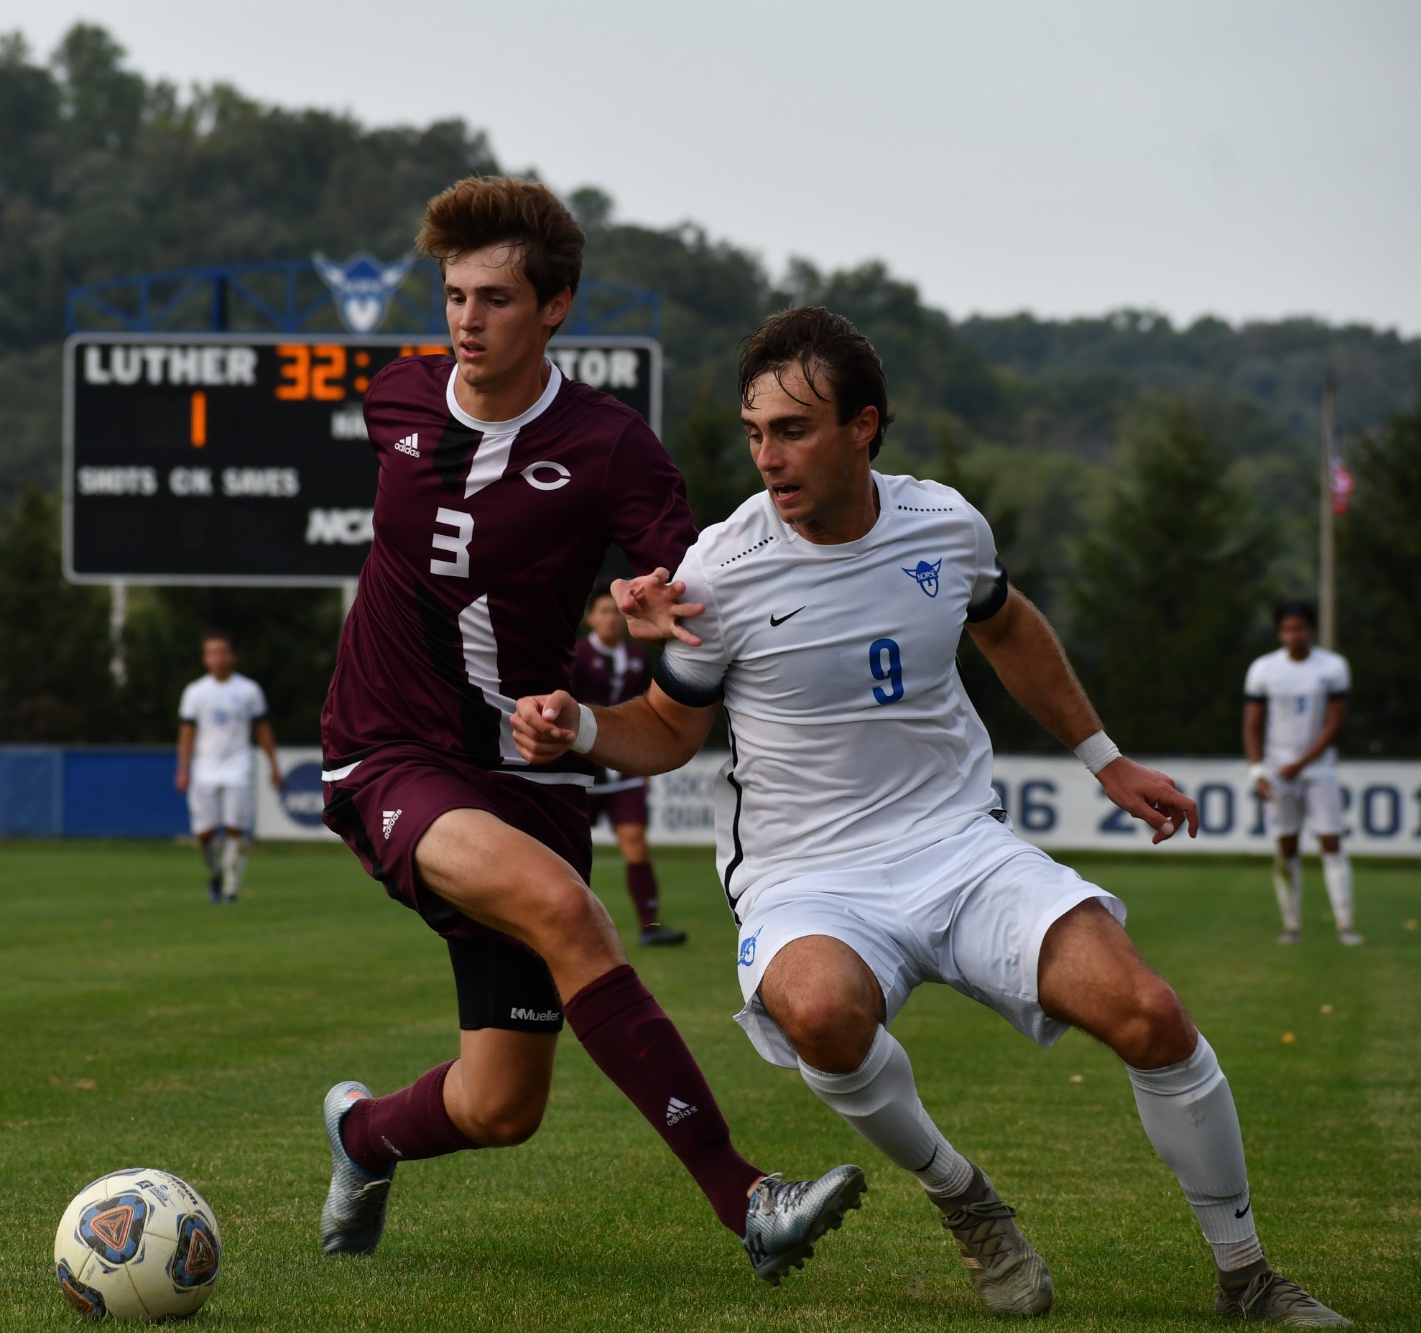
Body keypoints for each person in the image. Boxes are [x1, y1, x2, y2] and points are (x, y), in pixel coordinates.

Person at [514, 307, 1348, 1325]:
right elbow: (665, 727)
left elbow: (1004, 623)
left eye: (795, 429)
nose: (768, 457)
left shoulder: (944, 525)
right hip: (804, 876)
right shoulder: (716, 572)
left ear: (864, 427)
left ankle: (1246, 1275)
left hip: (958, 847)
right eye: (754, 432)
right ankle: (968, 1204)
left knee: (1151, 1014)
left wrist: (1104, 757)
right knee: (816, 1012)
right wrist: (580, 733)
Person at [315, 177, 863, 1284]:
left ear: (555, 307)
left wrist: (662, 618)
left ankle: (361, 1134)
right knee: (569, 913)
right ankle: (746, 1195)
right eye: (454, 295)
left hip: (527, 771)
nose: (467, 320)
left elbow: (687, 571)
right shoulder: (397, 399)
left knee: (498, 1104)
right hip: (387, 751)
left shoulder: (608, 445)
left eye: (495, 299)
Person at [571, 591, 685, 946]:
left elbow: (649, 711)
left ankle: (649, 926)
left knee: (635, 843)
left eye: (616, 612)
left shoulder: (637, 655)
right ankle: (562, 926)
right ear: (590, 618)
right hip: (582, 770)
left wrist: (646, 765)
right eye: (604, 612)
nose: (612, 618)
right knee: (568, 850)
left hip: (625, 767)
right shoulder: (575, 656)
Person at [1243, 602, 1358, 946]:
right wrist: (1257, 769)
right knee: (1286, 846)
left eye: (1300, 628)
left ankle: (1345, 922)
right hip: (1278, 770)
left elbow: (1334, 723)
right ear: (1280, 632)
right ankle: (1291, 923)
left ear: (1311, 630)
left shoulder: (1333, 667)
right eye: (1287, 629)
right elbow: (1251, 725)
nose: (1294, 635)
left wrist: (1303, 762)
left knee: (1331, 841)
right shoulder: (1263, 669)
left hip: (1319, 770)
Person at [175, 632, 284, 903]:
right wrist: (183, 768)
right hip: (205, 767)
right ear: (205, 659)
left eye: (223, 651)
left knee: (235, 827)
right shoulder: (195, 692)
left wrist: (273, 764)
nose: (219, 657)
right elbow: (187, 732)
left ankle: (231, 887)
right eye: (212, 652)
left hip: (239, 765)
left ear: (231, 655)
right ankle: (217, 871)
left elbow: (263, 729)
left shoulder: (249, 690)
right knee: (204, 834)